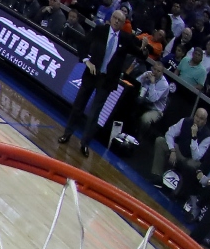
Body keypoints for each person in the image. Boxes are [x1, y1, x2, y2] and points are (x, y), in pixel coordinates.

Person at [59, 9, 147, 157]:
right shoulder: (100, 30)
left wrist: (144, 48)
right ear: (111, 18)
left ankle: (85, 143)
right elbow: (83, 43)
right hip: (92, 74)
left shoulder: (125, 39)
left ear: (123, 23)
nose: (117, 21)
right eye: (115, 18)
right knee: (78, 106)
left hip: (106, 80)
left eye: (120, 20)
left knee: (94, 114)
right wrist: (87, 61)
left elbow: (140, 54)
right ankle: (67, 134)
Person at [151, 107, 210, 181]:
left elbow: (196, 157)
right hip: (179, 150)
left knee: (191, 165)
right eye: (196, 116)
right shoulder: (185, 121)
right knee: (160, 141)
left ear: (205, 121)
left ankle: (178, 190)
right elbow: (169, 134)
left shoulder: (207, 137)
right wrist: (172, 150)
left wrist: (194, 137)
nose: (197, 120)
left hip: (191, 159)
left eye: (201, 119)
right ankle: (156, 176)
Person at [136, 61, 171, 137]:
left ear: (162, 73)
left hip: (155, 109)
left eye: (158, 71)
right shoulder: (148, 73)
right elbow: (136, 83)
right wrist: (143, 78)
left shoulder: (164, 85)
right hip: (143, 103)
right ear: (152, 68)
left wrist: (152, 83)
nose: (155, 72)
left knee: (145, 119)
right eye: (154, 69)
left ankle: (140, 137)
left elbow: (152, 99)